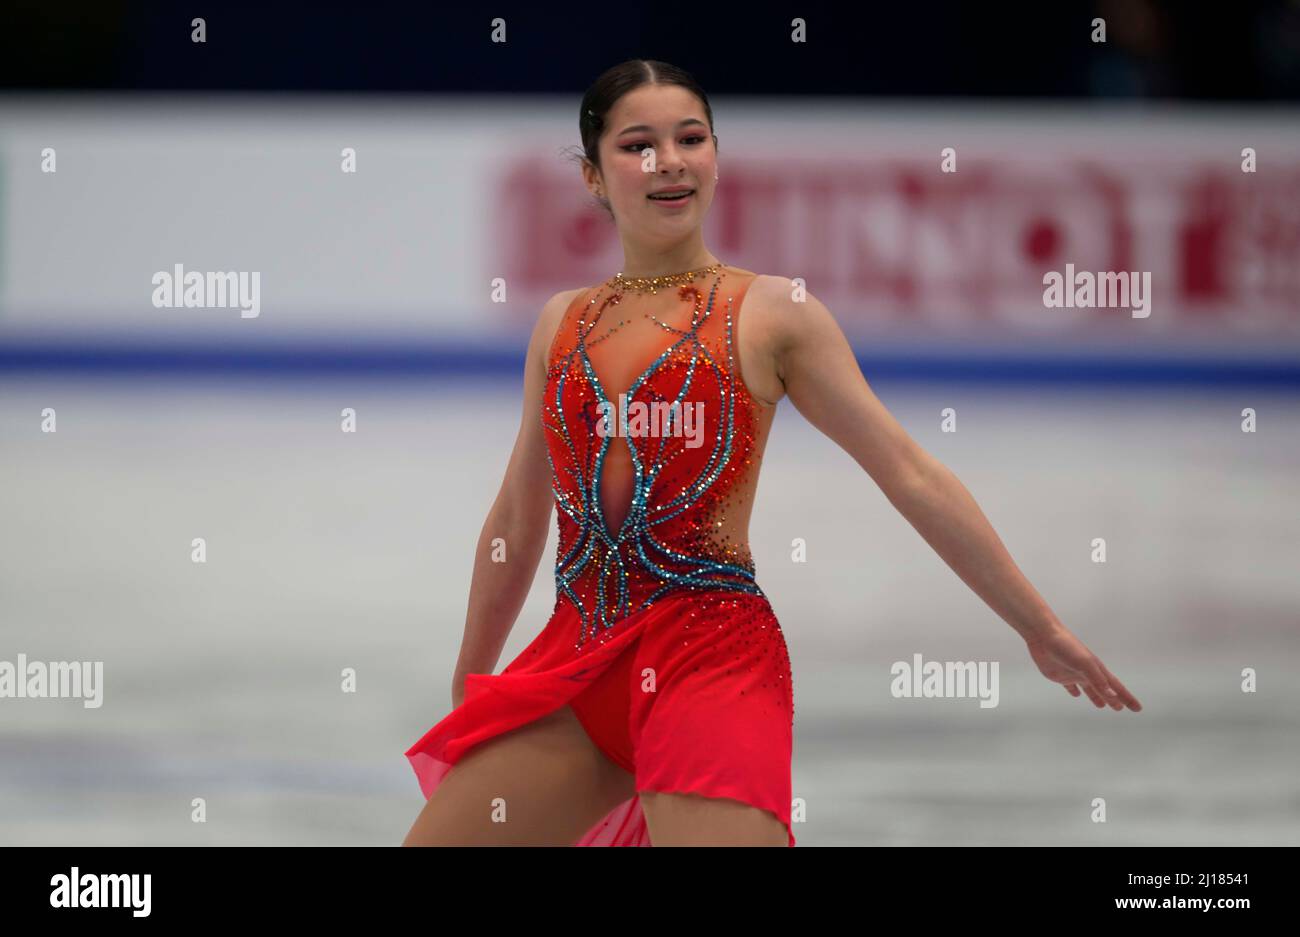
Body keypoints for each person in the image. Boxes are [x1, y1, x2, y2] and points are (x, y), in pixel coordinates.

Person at [401, 59, 1142, 847]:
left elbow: (909, 471)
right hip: (581, 659)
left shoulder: (772, 314)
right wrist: (473, 682)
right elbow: (519, 513)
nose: (671, 161)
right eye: (638, 145)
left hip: (709, 662)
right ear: (593, 175)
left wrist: (1038, 625)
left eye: (691, 137)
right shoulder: (561, 322)